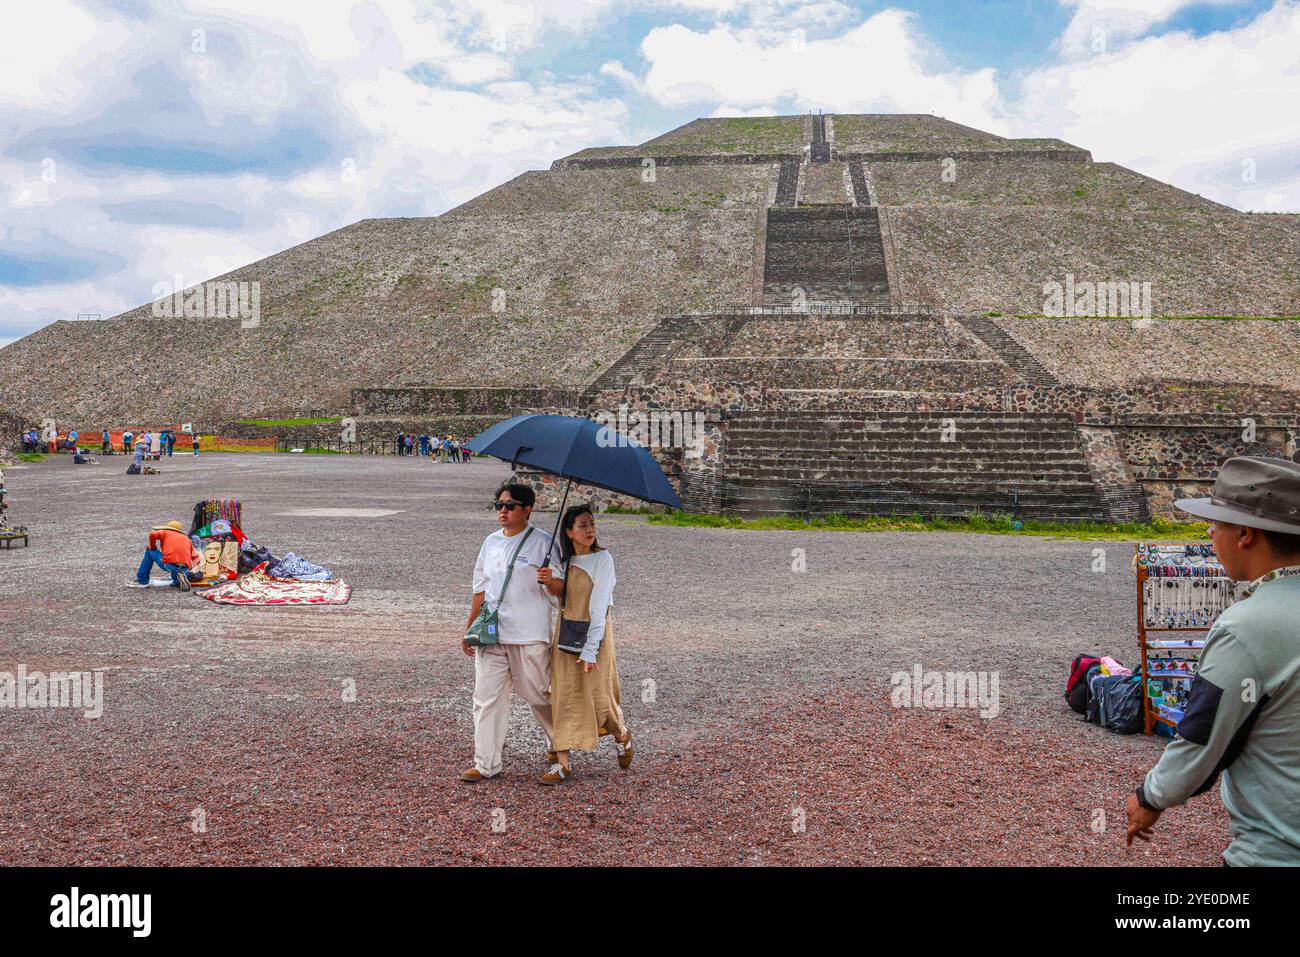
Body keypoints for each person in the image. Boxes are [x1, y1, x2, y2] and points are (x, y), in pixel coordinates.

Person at [1127, 456, 1300, 866]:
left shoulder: (1246, 626)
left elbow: (1203, 736)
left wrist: (1151, 796)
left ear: (1244, 534)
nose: (1209, 532)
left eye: (1216, 523)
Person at [459, 482, 556, 783]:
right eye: (499, 504)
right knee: (486, 698)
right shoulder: (490, 542)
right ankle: (486, 762)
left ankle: (560, 745)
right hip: (492, 633)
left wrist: (550, 581)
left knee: (539, 695)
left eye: (510, 505)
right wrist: (468, 628)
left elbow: (561, 592)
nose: (502, 510)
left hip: (528, 632)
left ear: (527, 509)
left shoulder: (544, 543)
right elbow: (481, 589)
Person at [535, 504, 632, 783]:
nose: (590, 530)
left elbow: (600, 606)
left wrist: (591, 649)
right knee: (563, 693)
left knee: (599, 695)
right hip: (565, 632)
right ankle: (562, 762)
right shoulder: (564, 562)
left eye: (592, 524)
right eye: (582, 526)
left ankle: (621, 734)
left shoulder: (604, 559)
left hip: (596, 633)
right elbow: (558, 603)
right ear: (569, 532)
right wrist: (548, 582)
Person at [126, 520, 200, 591]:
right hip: (184, 568)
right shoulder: (187, 539)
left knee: (149, 551)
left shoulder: (165, 532)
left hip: (170, 565)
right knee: (178, 566)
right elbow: (196, 559)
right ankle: (178, 581)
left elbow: (152, 534)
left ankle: (142, 581)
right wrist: (188, 569)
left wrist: (152, 547)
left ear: (168, 528)